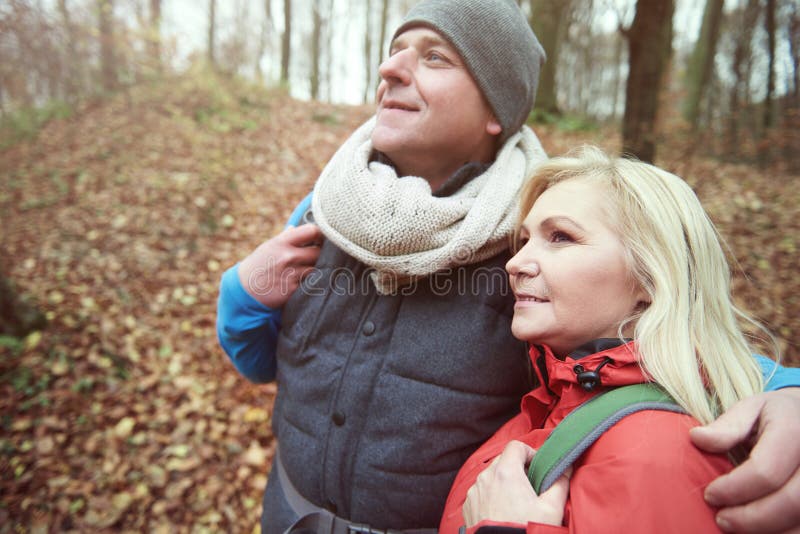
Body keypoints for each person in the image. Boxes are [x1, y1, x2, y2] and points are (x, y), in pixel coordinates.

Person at [216, 1, 800, 532]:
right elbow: (267, 364)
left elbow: (649, 349)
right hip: (287, 516)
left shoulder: (526, 246)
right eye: (394, 52)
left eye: (434, 57)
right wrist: (242, 297)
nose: (390, 70)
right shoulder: (328, 210)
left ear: (496, 109)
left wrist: (786, 395)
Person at [439, 146, 798, 534]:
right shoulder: (553, 400)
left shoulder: (655, 450)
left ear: (649, 278)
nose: (515, 263)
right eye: (524, 240)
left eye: (560, 236)